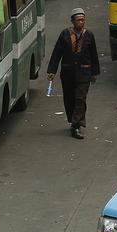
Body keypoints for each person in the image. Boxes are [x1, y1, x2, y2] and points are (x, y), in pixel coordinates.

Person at [46, 8, 100, 140]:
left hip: (84, 73)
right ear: (72, 21)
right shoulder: (65, 34)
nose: (81, 22)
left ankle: (76, 125)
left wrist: (94, 73)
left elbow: (94, 55)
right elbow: (57, 52)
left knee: (80, 99)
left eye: (83, 20)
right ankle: (73, 120)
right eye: (78, 20)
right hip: (68, 73)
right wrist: (52, 70)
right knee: (69, 98)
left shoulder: (89, 35)